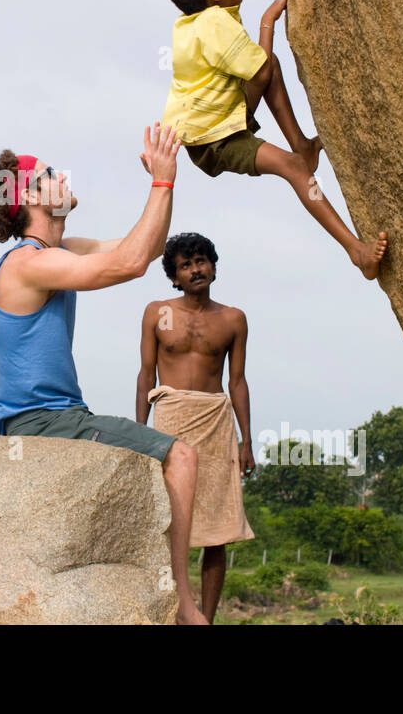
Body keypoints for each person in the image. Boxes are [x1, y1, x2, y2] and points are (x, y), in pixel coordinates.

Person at [0, 123, 208, 625]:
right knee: (183, 457)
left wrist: (165, 181)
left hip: (57, 418)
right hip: (45, 421)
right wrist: (163, 183)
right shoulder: (27, 264)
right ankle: (182, 603)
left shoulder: (57, 252)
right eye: (47, 174)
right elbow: (128, 264)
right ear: (31, 197)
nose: (61, 175)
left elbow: (141, 251)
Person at [162, 0, 388, 278]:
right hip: (211, 138)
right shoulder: (214, 28)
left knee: (273, 66)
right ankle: (355, 251)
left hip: (222, 112)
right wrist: (267, 21)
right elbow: (261, 72)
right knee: (291, 164)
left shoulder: (205, 10)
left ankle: (302, 144)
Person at [137, 232, 255, 622]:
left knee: (217, 530)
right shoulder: (157, 312)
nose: (195, 269)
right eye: (185, 265)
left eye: (201, 261)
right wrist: (139, 435)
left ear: (214, 266)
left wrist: (246, 442)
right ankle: (173, 613)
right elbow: (146, 374)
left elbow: (237, 381)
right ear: (174, 277)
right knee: (171, 525)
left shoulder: (233, 319)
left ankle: (208, 617)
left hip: (215, 421)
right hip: (170, 419)